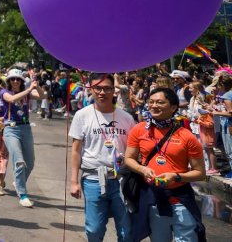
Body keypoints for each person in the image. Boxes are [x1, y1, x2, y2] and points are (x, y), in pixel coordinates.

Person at [124, 87, 205, 242]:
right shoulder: (139, 130)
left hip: (181, 200)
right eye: (151, 102)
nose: (154, 106)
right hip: (153, 198)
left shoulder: (187, 136)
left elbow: (200, 173)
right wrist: (142, 169)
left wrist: (176, 176)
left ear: (173, 107)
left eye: (160, 102)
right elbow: (129, 158)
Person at [68, 72, 134, 242]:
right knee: (94, 229)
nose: (102, 93)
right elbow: (76, 150)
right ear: (90, 89)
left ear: (114, 91)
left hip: (121, 180)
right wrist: (74, 181)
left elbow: (133, 151)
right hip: (93, 179)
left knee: (126, 231)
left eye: (107, 88)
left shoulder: (126, 118)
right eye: (98, 88)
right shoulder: (82, 115)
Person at [0, 68, 40, 208]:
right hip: (11, 129)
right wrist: (29, 90)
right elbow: (11, 99)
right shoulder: (4, 92)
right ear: (9, 81)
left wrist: (35, 84)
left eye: (18, 79)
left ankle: (18, 182)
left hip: (26, 128)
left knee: (31, 161)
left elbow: (43, 96)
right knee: (19, 161)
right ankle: (23, 194)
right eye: (13, 79)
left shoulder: (27, 93)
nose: (15, 81)